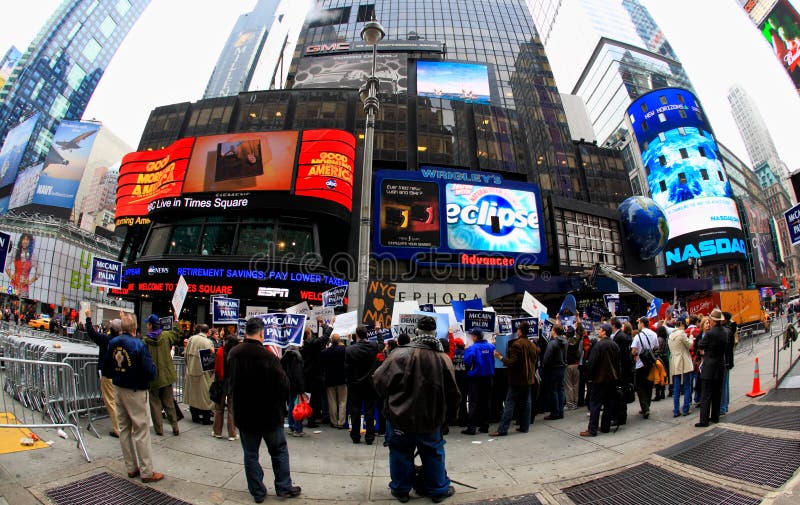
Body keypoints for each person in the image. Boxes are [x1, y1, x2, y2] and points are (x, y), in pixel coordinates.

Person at [373, 315, 459, 503]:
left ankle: (401, 490)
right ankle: (437, 490)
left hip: (399, 417)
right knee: (433, 453)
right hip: (431, 419)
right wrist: (448, 419)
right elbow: (454, 394)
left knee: (400, 453)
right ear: (435, 333)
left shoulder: (399, 354)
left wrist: (390, 401)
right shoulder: (443, 358)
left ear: (417, 332)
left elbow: (379, 381)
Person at [228, 317, 301, 502]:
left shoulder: (234, 353)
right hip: (269, 415)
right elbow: (283, 385)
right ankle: (284, 487)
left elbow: (230, 382)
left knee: (250, 454)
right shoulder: (268, 357)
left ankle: (258, 492)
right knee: (279, 451)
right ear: (262, 333)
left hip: (245, 414)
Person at [105, 314, 164, 483]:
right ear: (135, 328)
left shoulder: (113, 343)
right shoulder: (139, 345)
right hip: (136, 390)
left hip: (118, 387)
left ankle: (131, 467)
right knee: (141, 430)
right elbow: (150, 371)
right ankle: (146, 471)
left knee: (124, 428)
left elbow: (108, 368)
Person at [490, 321, 539, 436]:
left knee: (509, 404)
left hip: (517, 379)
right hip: (528, 378)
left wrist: (500, 357)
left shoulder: (517, 344)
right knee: (527, 403)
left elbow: (512, 363)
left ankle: (502, 429)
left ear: (520, 331)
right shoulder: (532, 345)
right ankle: (524, 426)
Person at [85, 309, 121, 438]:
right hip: (120, 375)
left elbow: (91, 333)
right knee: (118, 401)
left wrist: (88, 318)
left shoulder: (106, 340)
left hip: (108, 374)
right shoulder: (123, 340)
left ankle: (118, 428)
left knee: (111, 402)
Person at [143, 314, 180, 436]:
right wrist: (176, 320)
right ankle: (175, 427)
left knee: (155, 404)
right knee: (169, 403)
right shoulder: (166, 336)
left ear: (150, 325)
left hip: (153, 377)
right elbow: (176, 333)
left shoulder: (145, 341)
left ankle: (159, 430)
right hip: (166, 376)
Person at [580, 324, 620, 437]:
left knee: (595, 404)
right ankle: (605, 427)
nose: (598, 331)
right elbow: (618, 363)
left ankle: (592, 429)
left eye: (600, 330)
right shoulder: (614, 345)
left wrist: (589, 377)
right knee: (608, 404)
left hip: (599, 379)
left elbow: (592, 363)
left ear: (604, 332)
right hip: (612, 379)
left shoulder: (599, 345)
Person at [345, 325, 380, 444]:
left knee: (355, 410)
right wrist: (378, 331)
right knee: (369, 411)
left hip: (355, 384)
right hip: (370, 383)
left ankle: (355, 436)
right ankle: (369, 437)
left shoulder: (350, 349)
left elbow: (347, 367)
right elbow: (381, 344)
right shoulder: (373, 346)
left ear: (357, 335)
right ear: (367, 334)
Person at [696, 309, 728, 428]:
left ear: (713, 321)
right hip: (720, 366)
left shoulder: (710, 333)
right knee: (717, 393)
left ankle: (704, 420)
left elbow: (701, 345)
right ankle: (715, 417)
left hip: (709, 366)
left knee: (706, 395)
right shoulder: (725, 332)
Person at [461, 328, 495, 435]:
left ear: (475, 337)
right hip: (488, 377)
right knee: (486, 401)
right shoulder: (491, 346)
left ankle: (472, 428)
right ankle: (485, 425)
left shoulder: (472, 348)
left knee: (473, 402)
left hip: (476, 378)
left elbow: (467, 362)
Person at [184, 324, 216, 426]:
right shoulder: (208, 342)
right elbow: (210, 361)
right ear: (208, 332)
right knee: (205, 396)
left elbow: (185, 354)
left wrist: (188, 365)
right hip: (203, 373)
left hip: (192, 370)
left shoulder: (191, 339)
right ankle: (206, 418)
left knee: (193, 395)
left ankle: (195, 417)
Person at [301, 321, 331, 428]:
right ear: (308, 334)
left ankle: (305, 418)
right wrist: (329, 325)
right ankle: (311, 420)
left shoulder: (302, 345)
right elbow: (324, 338)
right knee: (314, 400)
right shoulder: (311, 344)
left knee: (307, 399)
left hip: (306, 375)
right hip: (314, 375)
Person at [212, 335, 239, 440]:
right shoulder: (236, 354)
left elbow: (217, 369)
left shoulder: (220, 352)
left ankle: (217, 431)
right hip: (232, 382)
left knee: (219, 408)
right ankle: (232, 433)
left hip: (221, 382)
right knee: (231, 410)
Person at [632, 317, 658, 419]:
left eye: (639, 323)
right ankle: (647, 405)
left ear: (642, 324)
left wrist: (636, 354)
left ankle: (645, 407)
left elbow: (634, 351)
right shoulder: (654, 334)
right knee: (649, 385)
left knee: (640, 386)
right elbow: (656, 347)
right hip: (651, 363)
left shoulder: (638, 336)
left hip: (640, 364)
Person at [669, 319, 694, 417]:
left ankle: (676, 410)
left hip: (674, 361)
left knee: (676, 388)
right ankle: (685, 409)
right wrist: (691, 336)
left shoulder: (670, 335)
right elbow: (690, 345)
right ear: (681, 325)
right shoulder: (681, 334)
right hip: (683, 361)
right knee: (687, 386)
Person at [321, 334, 347, 428]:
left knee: (332, 402)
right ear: (340, 341)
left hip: (330, 379)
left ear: (331, 341)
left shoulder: (325, 352)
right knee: (342, 401)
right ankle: (341, 422)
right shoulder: (344, 350)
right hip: (342, 379)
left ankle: (334, 421)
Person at [610, 318, 633, 426]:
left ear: (613, 325)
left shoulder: (619, 337)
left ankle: (620, 417)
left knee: (620, 395)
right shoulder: (623, 336)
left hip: (621, 370)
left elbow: (621, 356)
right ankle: (620, 416)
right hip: (624, 369)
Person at [542, 325, 567, 420]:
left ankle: (555, 412)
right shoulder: (566, 342)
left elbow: (546, 358)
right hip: (562, 368)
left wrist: (544, 366)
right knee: (560, 390)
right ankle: (560, 411)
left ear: (554, 331)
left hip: (553, 369)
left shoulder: (552, 343)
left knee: (553, 391)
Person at [281, 345, 306, 437]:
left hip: (289, 385)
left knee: (291, 405)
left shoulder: (286, 356)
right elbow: (298, 374)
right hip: (296, 386)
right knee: (298, 407)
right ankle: (297, 428)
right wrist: (302, 389)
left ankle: (292, 426)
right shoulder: (296, 357)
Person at [6, 233, 38, 298]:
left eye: (27, 239)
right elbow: (6, 265)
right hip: (12, 286)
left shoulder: (32, 256)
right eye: (23, 239)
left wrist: (30, 281)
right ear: (21, 241)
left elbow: (39, 271)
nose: (25, 241)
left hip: (24, 290)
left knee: (21, 303)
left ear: (30, 242)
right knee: (8, 300)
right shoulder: (16, 252)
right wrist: (11, 276)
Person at [720, 312, 737, 416]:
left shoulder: (726, 331)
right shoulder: (730, 329)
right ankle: (725, 405)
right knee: (725, 383)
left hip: (725, 360)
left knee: (723, 384)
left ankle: (723, 407)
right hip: (728, 360)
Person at [452, 338, 469, 426]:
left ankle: (455, 418)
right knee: (464, 399)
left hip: (455, 379)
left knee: (455, 400)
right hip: (465, 379)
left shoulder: (452, 353)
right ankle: (464, 419)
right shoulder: (466, 353)